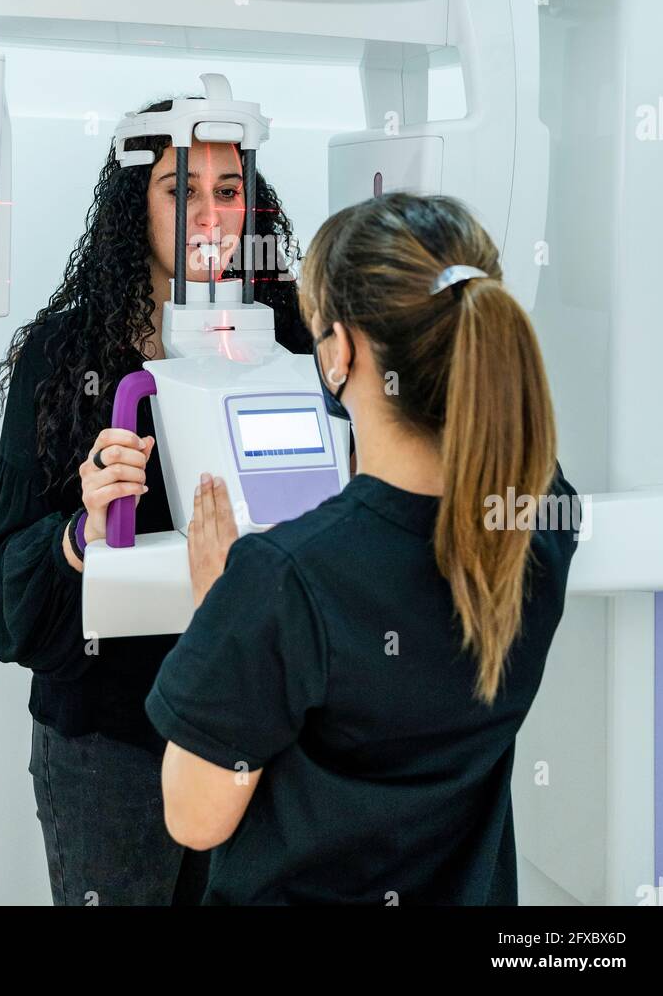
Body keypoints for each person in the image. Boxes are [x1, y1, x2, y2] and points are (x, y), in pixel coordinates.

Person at [144, 190, 583, 906]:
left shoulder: (281, 582)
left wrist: (217, 612)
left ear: (339, 353)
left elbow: (195, 818)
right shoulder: (544, 522)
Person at [0, 93, 313, 906]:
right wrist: (82, 531)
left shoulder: (296, 335)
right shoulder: (66, 355)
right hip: (112, 743)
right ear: (136, 204)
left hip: (254, 721)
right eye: (180, 189)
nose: (208, 215)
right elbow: (3, 606)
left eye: (227, 190)